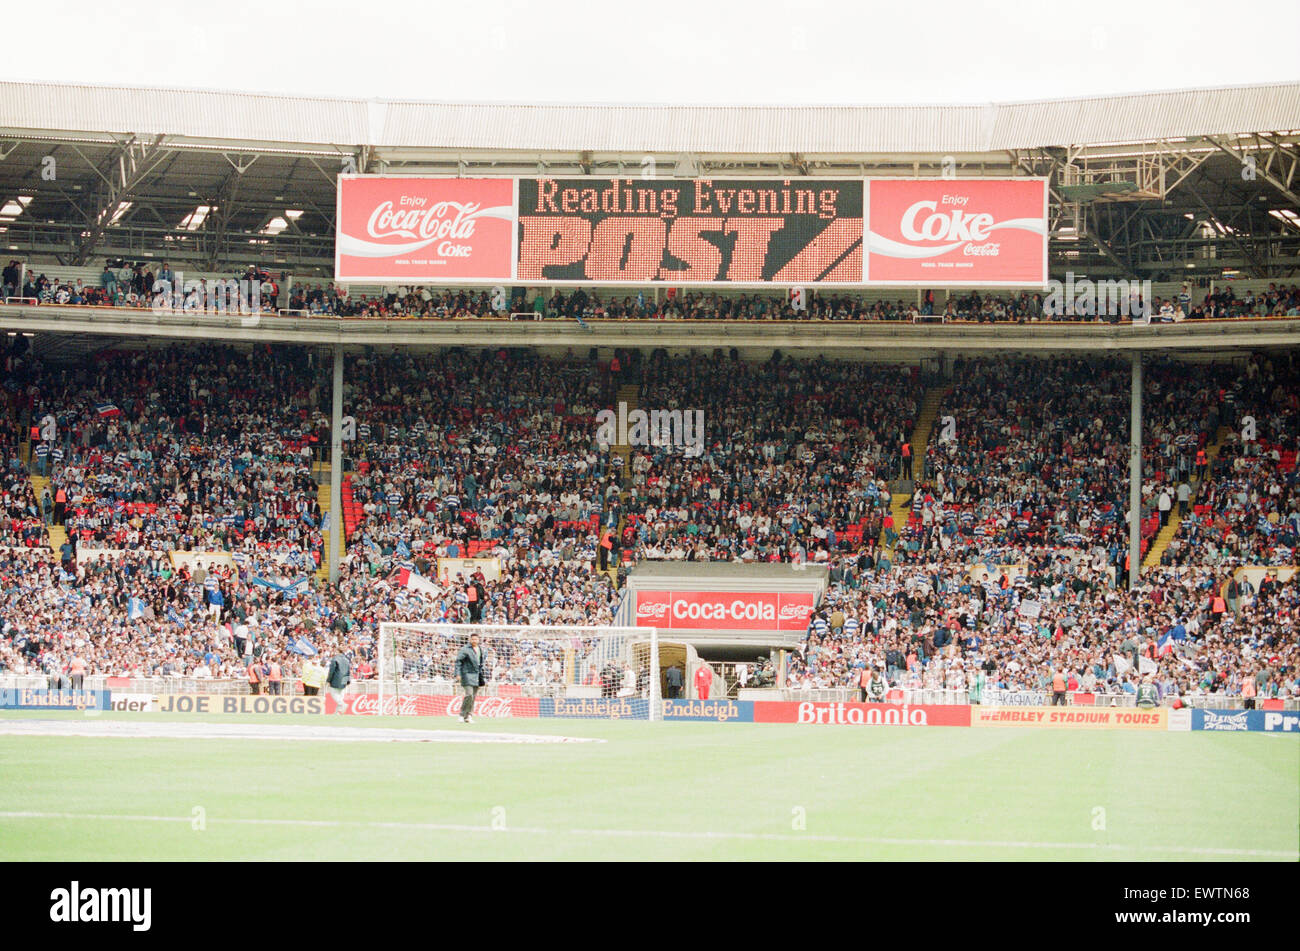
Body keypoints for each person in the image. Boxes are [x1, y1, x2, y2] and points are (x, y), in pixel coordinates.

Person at [454, 632, 486, 722]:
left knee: (473, 696)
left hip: (477, 675)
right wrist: (458, 673)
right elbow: (458, 662)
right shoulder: (465, 649)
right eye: (472, 639)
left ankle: (469, 716)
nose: (474, 640)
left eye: (476, 639)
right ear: (470, 640)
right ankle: (462, 714)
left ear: (478, 640)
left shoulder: (481, 649)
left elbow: (480, 663)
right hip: (467, 674)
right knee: (469, 694)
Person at [326, 646, 352, 714]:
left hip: (336, 679)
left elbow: (331, 671)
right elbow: (348, 671)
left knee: (334, 694)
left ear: (337, 651)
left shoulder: (335, 659)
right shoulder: (347, 659)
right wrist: (348, 681)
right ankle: (337, 712)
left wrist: (328, 680)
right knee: (340, 696)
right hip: (344, 680)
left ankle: (342, 704)